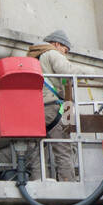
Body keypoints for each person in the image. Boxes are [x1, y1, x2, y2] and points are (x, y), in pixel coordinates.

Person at [26, 30, 78, 181]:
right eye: (65, 50)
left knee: (35, 151)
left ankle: (39, 182)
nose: (65, 54)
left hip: (32, 110)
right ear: (56, 44)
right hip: (52, 108)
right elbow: (67, 71)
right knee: (63, 149)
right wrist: (91, 72)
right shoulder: (52, 53)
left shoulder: (32, 58)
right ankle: (68, 185)